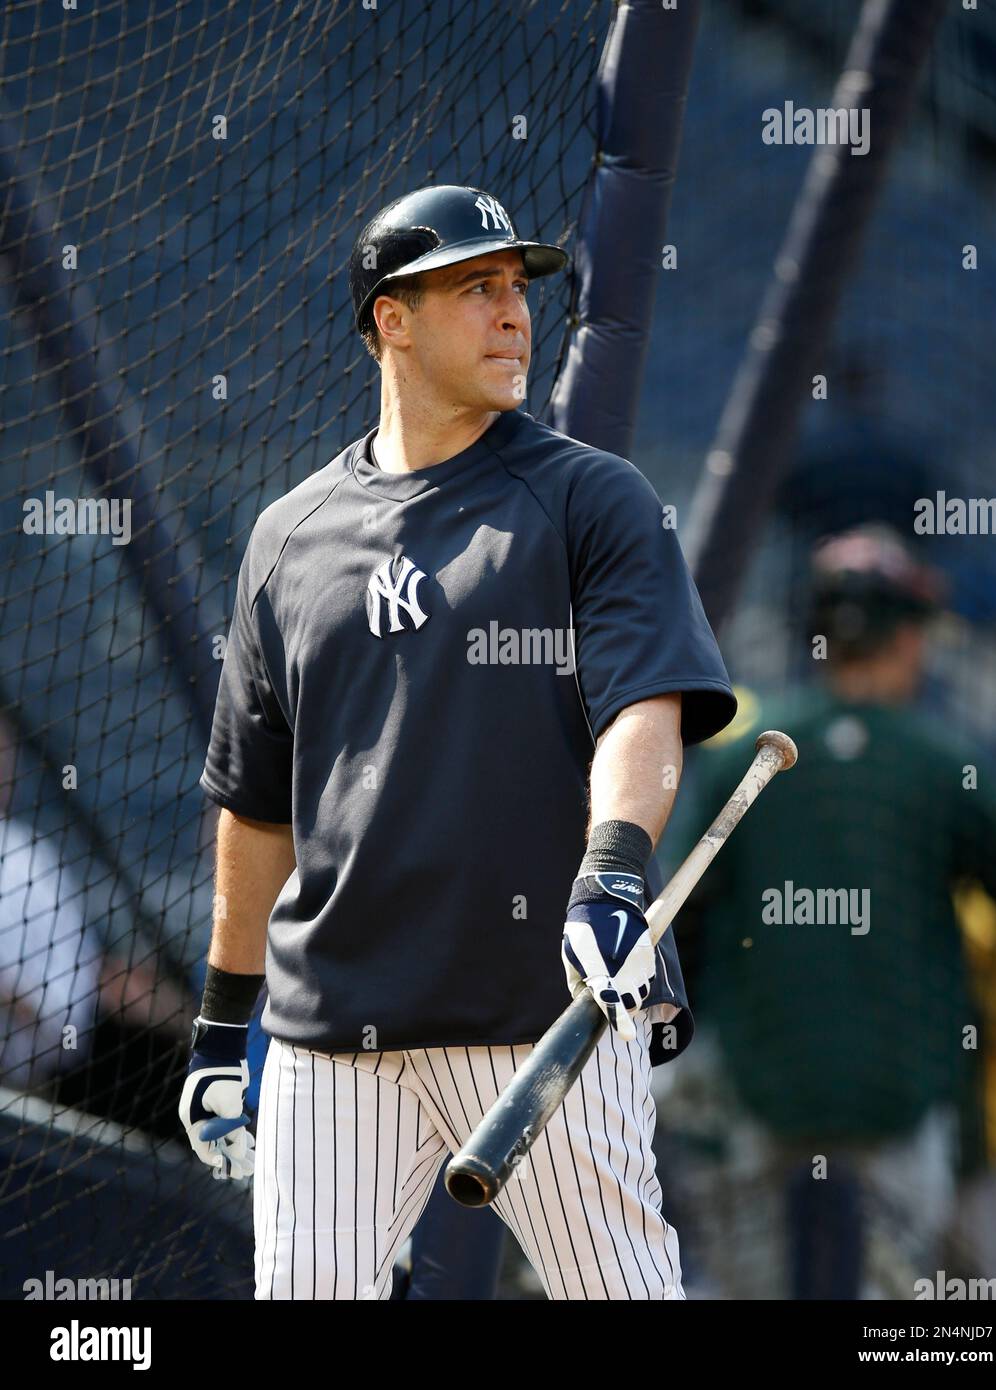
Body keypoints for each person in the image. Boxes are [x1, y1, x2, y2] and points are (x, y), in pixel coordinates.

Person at [180, 185, 736, 1300]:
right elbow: (256, 803)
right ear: (391, 318)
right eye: (476, 289)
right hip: (332, 1026)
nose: (513, 314)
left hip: (543, 1008)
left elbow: (646, 707)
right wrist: (216, 1026)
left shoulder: (590, 499)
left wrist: (612, 872)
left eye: (519, 290)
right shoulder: (286, 536)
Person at [670, 525, 996, 1298]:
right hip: (899, 1097)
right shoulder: (941, 761)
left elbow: (679, 917)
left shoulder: (748, 753)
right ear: (906, 639)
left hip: (755, 1089)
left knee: (754, 1288)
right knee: (896, 1302)